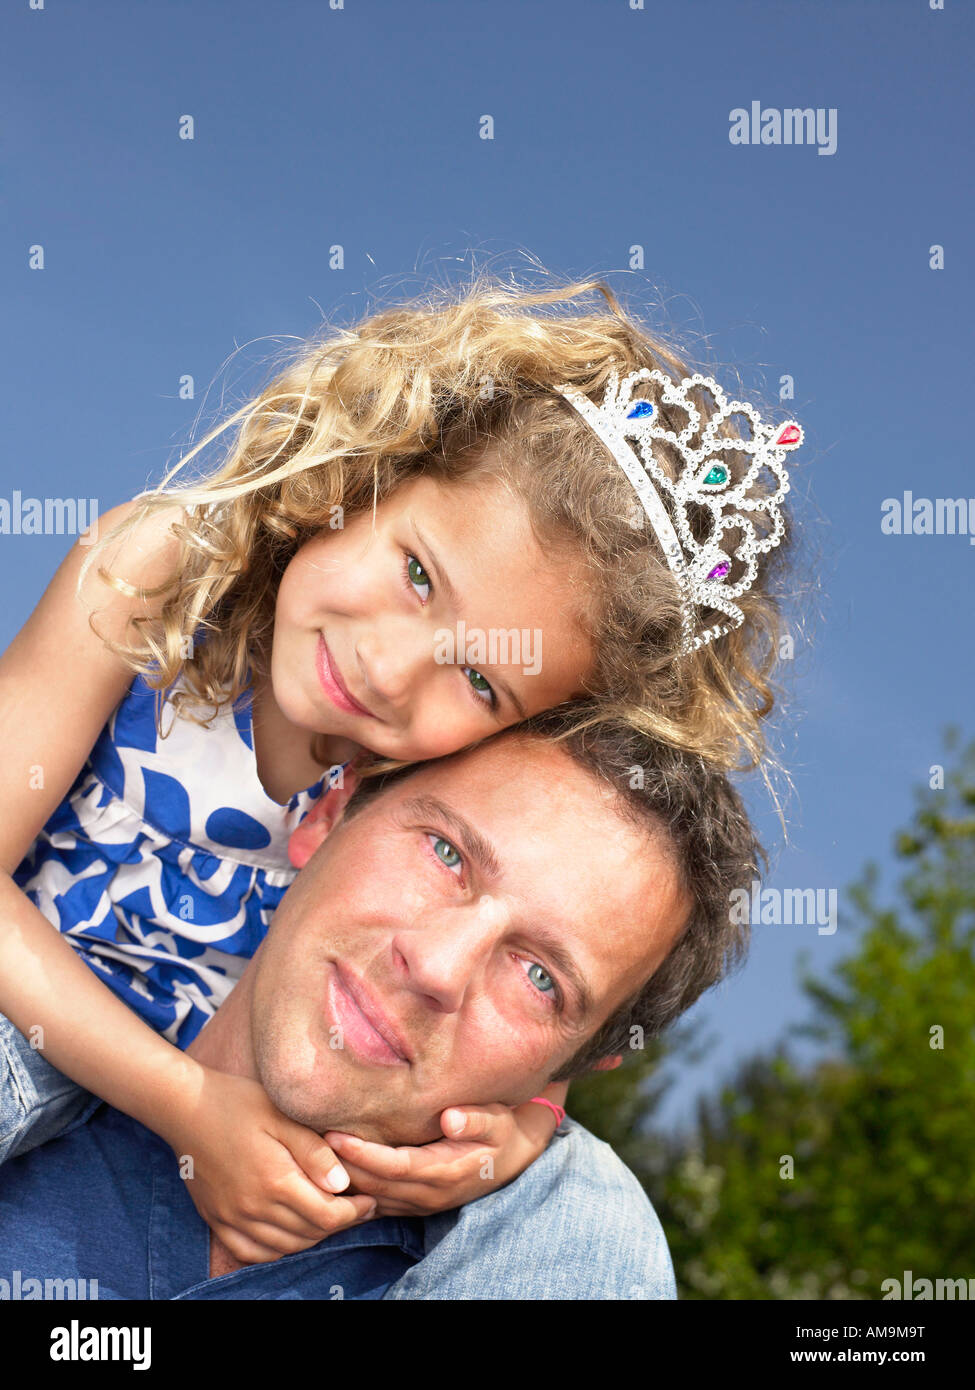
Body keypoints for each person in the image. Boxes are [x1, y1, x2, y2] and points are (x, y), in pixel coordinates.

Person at [0, 272, 800, 1259]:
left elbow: (532, 1000)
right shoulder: (155, 577)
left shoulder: (396, 791)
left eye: (480, 681)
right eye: (418, 574)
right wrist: (188, 1103)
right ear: (368, 474)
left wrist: (517, 1130)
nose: (387, 665)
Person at [0, 710, 762, 1299]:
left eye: (538, 978)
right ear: (328, 816)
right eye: (445, 853)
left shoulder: (568, 1247)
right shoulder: (28, 1090)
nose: (435, 965)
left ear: (570, 1068)